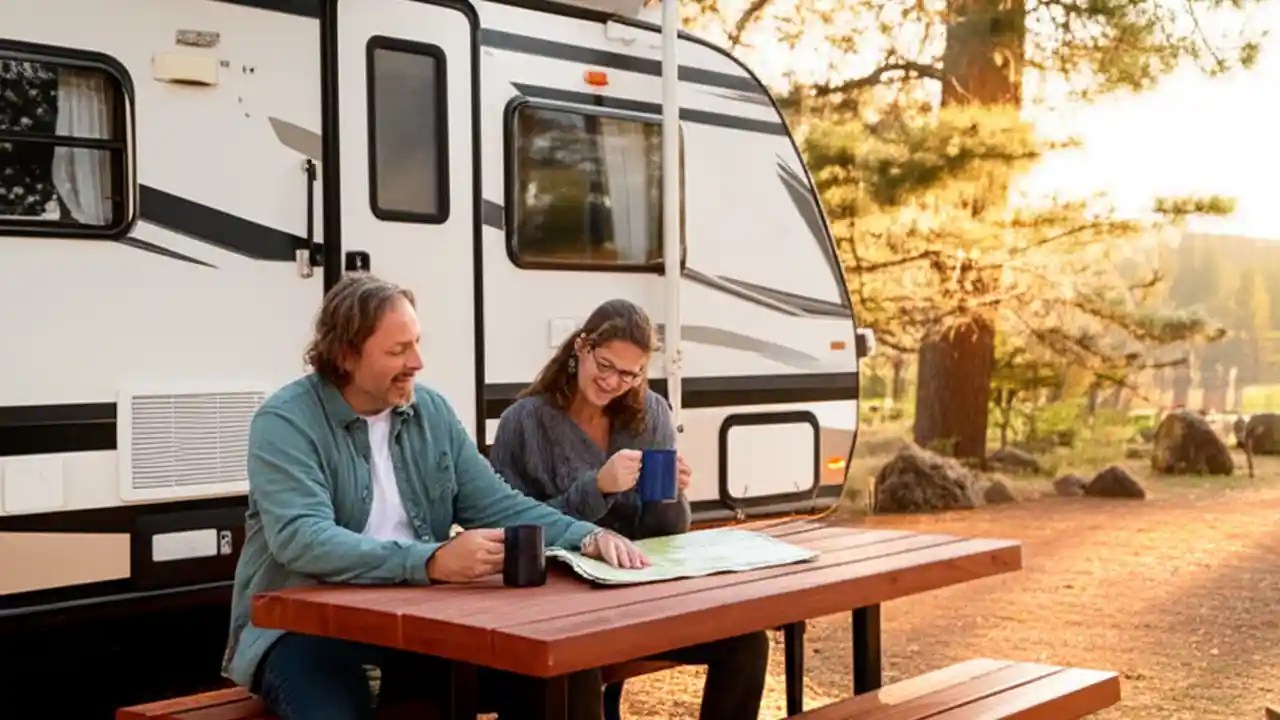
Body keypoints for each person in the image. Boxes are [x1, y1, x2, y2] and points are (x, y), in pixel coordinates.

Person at [220, 273, 648, 720]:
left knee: (559, 667)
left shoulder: (431, 412)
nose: (418, 361)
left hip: (423, 624)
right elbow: (302, 538)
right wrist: (429, 562)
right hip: (305, 633)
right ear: (346, 355)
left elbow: (499, 505)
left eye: (417, 343)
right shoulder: (285, 422)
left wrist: (585, 535)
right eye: (398, 350)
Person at [488, 298, 770, 720]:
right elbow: (508, 527)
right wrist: (597, 488)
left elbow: (665, 531)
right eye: (605, 365)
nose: (614, 381)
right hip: (558, 607)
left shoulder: (650, 412)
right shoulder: (523, 423)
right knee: (575, 663)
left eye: (630, 373)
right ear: (580, 348)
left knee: (747, 641)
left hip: (639, 601)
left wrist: (673, 495)